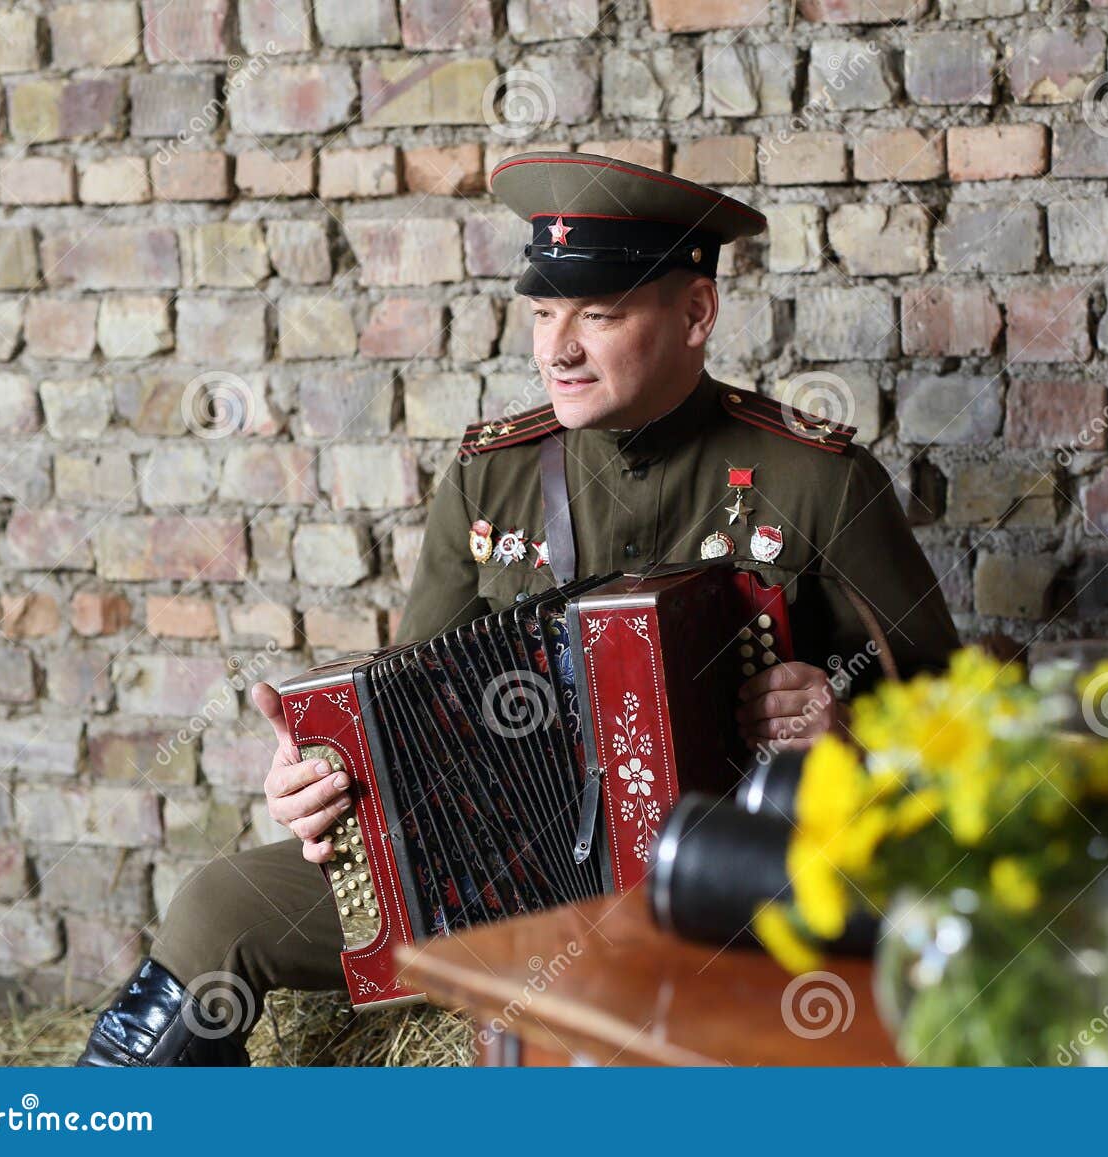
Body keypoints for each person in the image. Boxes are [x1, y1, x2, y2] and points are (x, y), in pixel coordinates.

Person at [77, 151, 961, 1066]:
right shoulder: (490, 476)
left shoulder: (814, 479)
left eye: (600, 315)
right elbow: (405, 707)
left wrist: (843, 726)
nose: (557, 349)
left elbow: (960, 724)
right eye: (543, 314)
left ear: (696, 312)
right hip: (509, 869)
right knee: (217, 907)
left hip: (729, 876)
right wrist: (321, 779)